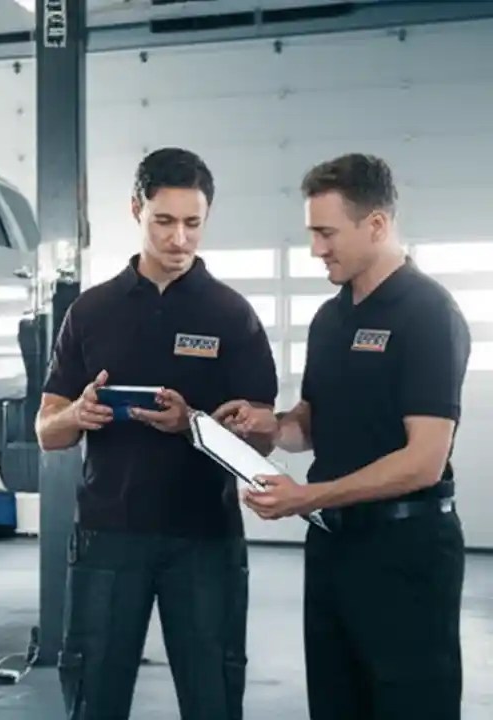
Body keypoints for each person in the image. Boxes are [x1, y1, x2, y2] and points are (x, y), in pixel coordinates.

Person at [215, 153, 469, 720]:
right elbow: (314, 421)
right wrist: (273, 426)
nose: (316, 249)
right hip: (334, 549)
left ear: (375, 225)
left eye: (327, 233)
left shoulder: (428, 313)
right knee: (335, 703)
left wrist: (306, 497)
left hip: (406, 554)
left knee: (410, 705)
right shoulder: (330, 319)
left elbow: (424, 460)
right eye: (312, 233)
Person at [37, 147, 278, 719]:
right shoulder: (91, 313)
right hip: (108, 535)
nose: (179, 240)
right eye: (163, 222)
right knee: (95, 694)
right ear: (135, 211)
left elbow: (265, 439)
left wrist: (204, 424)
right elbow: (48, 430)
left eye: (192, 224)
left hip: (205, 537)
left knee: (214, 697)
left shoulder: (231, 315)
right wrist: (79, 415)